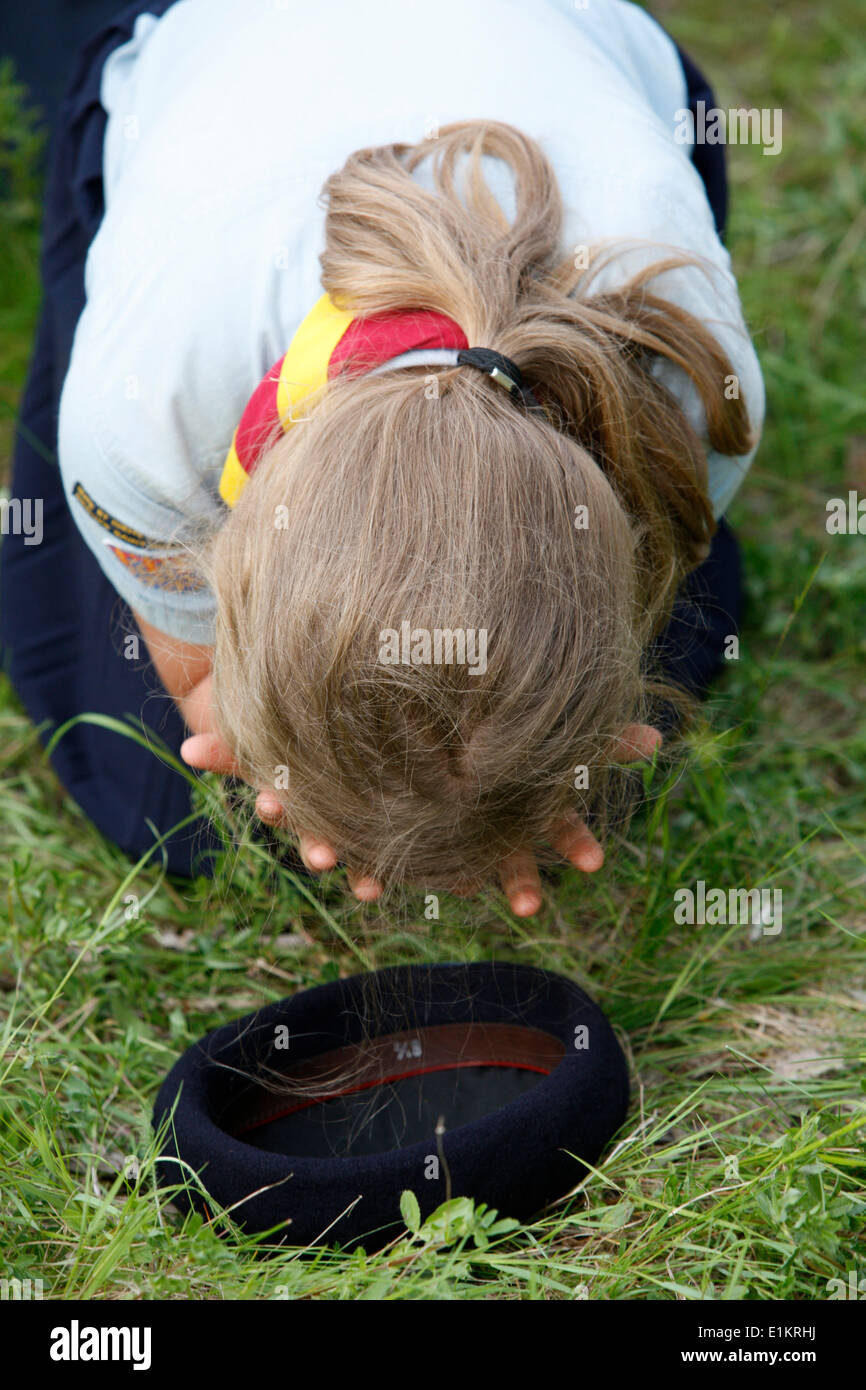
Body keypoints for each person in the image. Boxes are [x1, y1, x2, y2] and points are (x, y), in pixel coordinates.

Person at [0, 0, 764, 915]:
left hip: (579, 42)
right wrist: (240, 721)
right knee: (164, 798)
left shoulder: (692, 389)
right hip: (224, 44)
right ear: (233, 562)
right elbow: (197, 673)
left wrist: (495, 775)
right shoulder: (137, 422)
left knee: (648, 673)